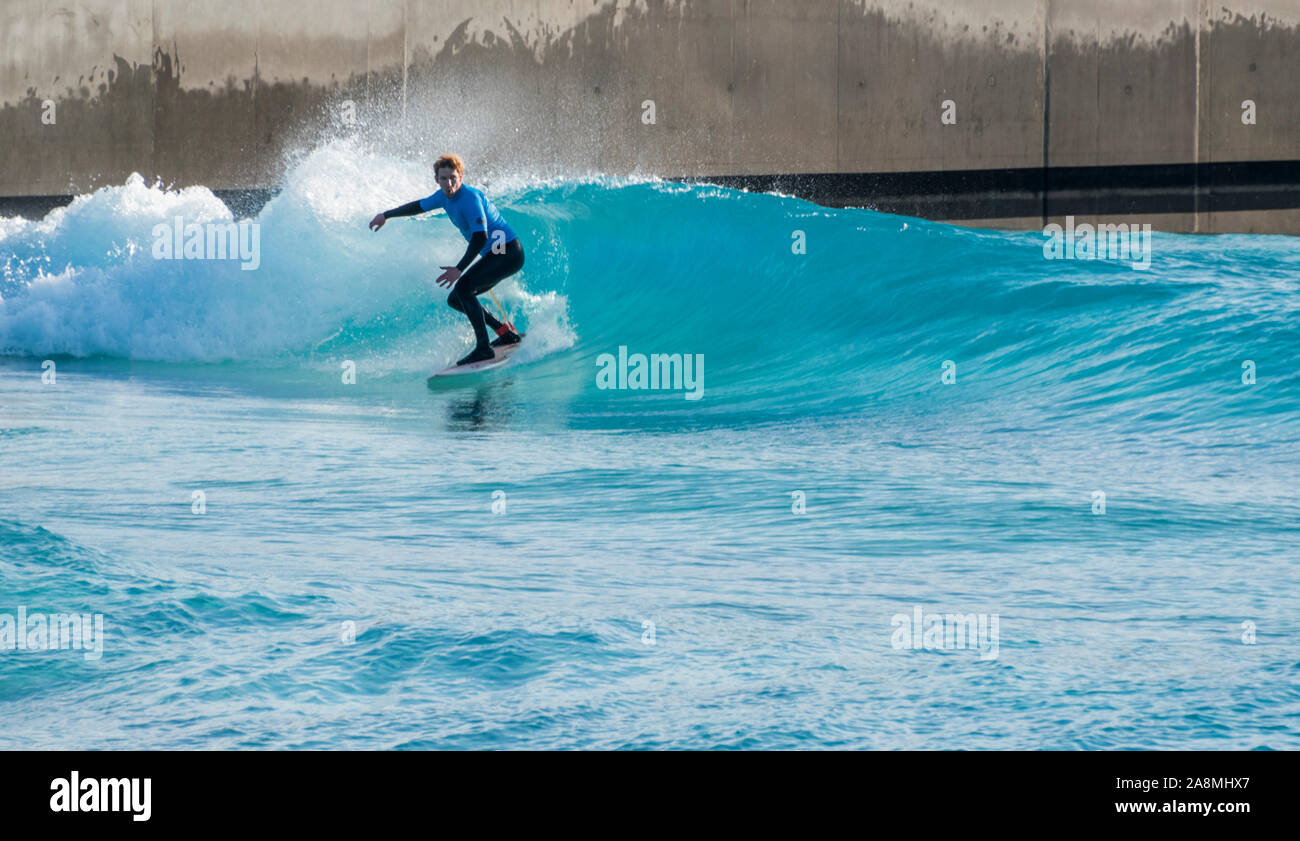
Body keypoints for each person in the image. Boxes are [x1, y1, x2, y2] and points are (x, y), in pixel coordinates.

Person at [369, 153, 524, 366]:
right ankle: (503, 333)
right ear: (436, 179)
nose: (449, 183)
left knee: (463, 289)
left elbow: (480, 237)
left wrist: (459, 269)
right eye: (443, 178)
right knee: (456, 299)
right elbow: (418, 206)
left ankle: (483, 348)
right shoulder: (442, 196)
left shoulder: (470, 198)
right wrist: (386, 215)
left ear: (461, 177)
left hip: (508, 253)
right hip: (496, 254)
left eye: (453, 177)